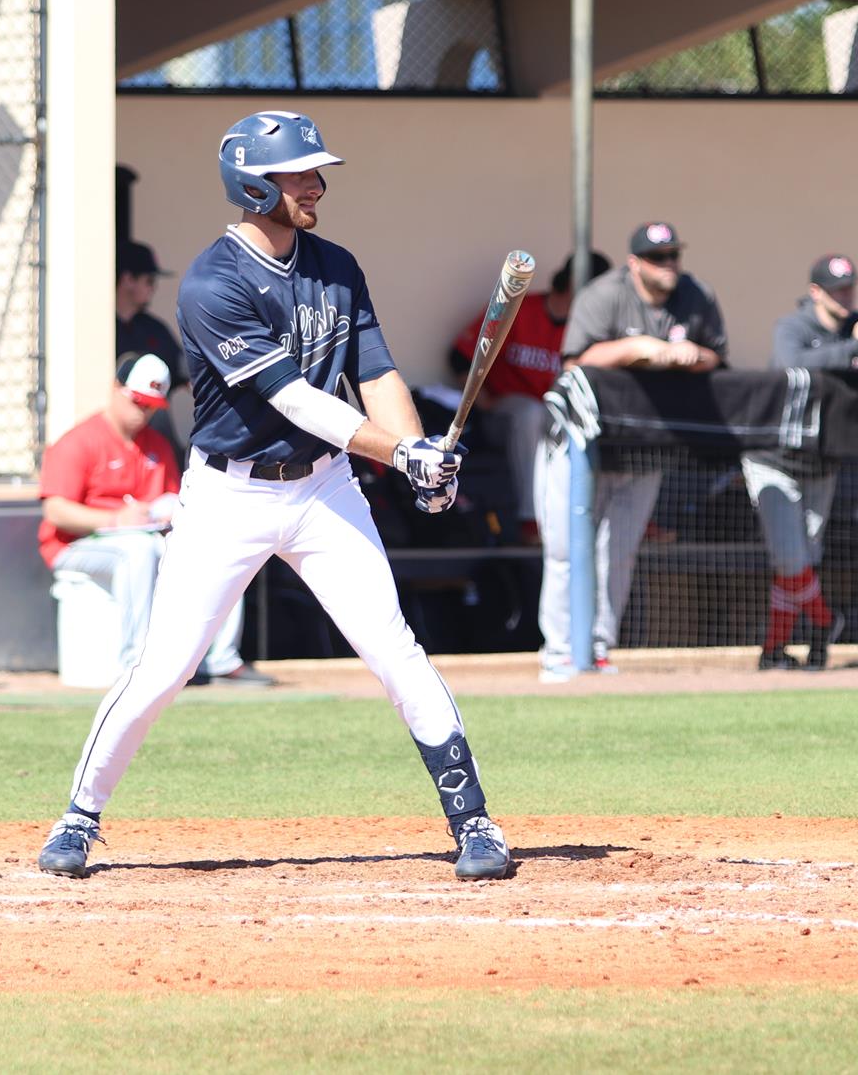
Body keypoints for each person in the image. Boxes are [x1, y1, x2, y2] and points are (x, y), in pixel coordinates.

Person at [36, 110, 509, 881]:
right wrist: (399, 452)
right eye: (297, 174)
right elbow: (293, 398)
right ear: (253, 184)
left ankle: (475, 821)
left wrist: (420, 459)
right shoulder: (211, 283)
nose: (315, 185)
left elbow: (377, 373)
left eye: (315, 172)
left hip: (323, 487)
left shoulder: (337, 266)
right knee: (165, 666)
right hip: (229, 497)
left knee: (394, 649)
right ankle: (79, 816)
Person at [535, 222, 727, 682]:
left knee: (617, 551)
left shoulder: (696, 295)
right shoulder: (604, 295)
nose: (669, 265)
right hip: (578, 443)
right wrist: (637, 348)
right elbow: (574, 363)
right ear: (635, 263)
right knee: (565, 550)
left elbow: (717, 357)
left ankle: (598, 648)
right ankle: (560, 651)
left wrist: (688, 355)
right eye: (658, 258)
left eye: (673, 256)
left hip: (643, 444)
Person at [38, 353, 269, 687]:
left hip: (142, 539)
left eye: (150, 406)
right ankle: (139, 664)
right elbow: (56, 512)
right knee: (137, 550)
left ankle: (219, 660)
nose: (142, 412)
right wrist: (115, 519)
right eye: (137, 402)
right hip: (76, 546)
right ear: (116, 389)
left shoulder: (156, 445)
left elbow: (174, 502)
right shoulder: (79, 441)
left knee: (215, 548)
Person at [742, 253, 858, 670]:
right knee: (791, 560)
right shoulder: (792, 327)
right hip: (773, 458)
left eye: (850, 287)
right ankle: (824, 620)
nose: (846, 296)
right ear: (816, 292)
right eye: (836, 290)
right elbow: (795, 364)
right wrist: (857, 345)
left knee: (801, 562)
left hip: (822, 462)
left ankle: (773, 651)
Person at [446, 251, 612, 540]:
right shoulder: (521, 308)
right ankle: (530, 519)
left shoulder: (589, 329)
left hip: (553, 422)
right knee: (530, 413)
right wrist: (484, 402)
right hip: (505, 417)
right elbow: (459, 356)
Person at [117, 239, 189, 459]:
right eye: (149, 280)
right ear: (128, 279)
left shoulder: (155, 330)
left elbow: (190, 377)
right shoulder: (99, 328)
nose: (153, 287)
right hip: (115, 442)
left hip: (155, 447)